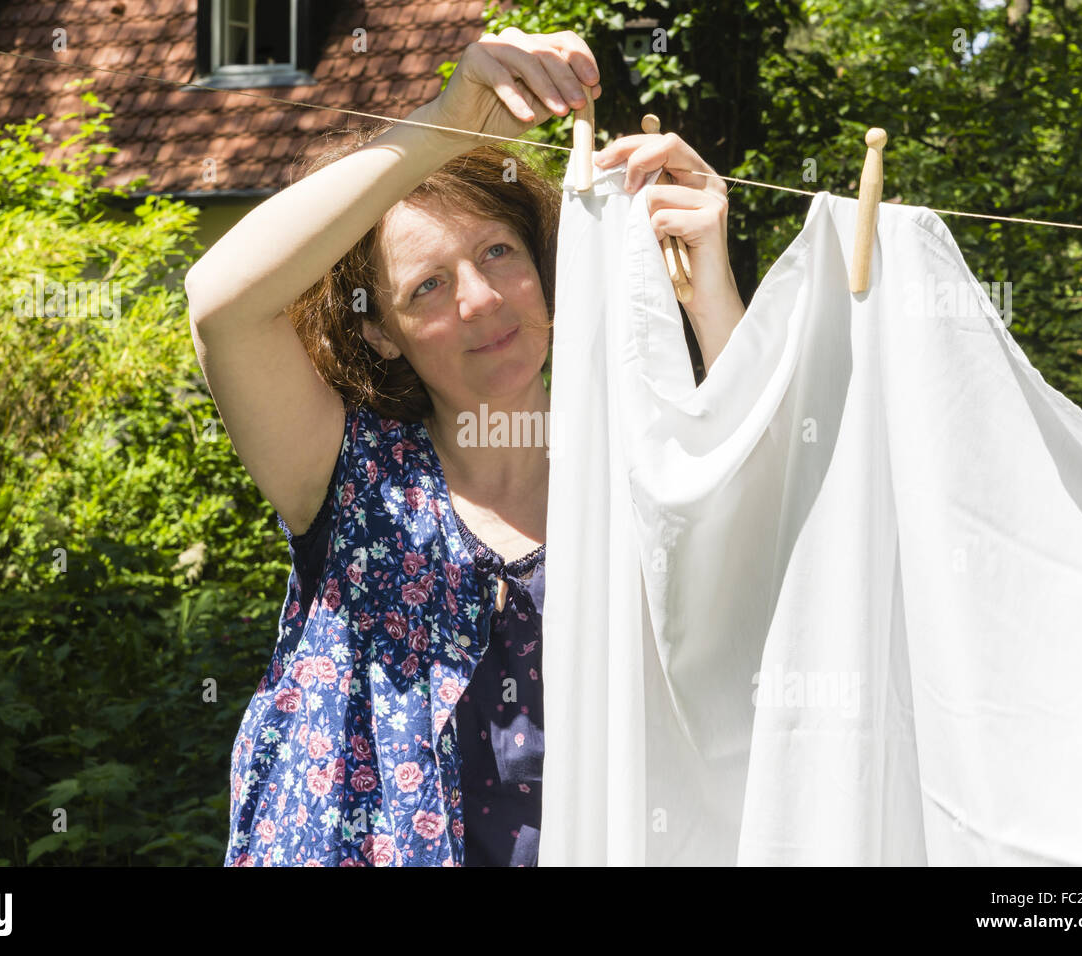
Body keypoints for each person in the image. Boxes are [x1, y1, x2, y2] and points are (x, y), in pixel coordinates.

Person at [184, 27, 747, 866]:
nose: (482, 301)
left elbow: (778, 545)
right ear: (381, 332)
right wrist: (447, 124)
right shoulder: (351, 478)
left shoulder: (645, 469)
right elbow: (219, 305)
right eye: (429, 286)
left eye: (497, 252)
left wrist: (713, 296)